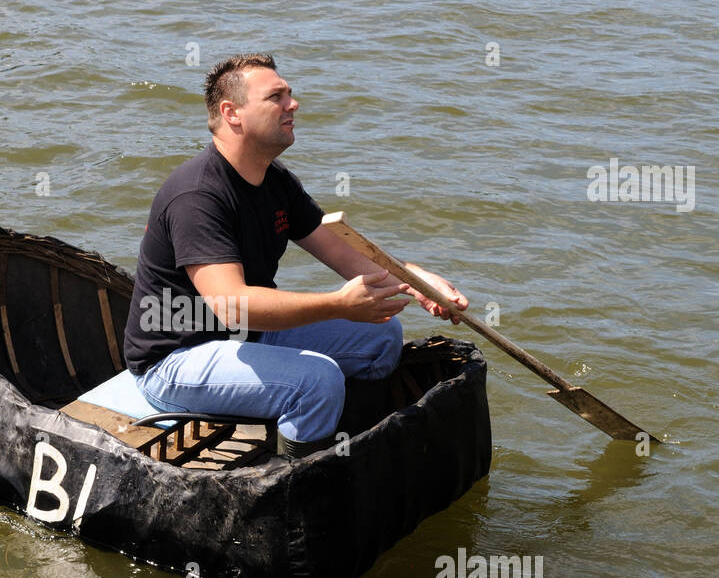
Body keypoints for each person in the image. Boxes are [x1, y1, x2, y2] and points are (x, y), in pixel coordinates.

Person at [122, 53, 468, 458]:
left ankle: (340, 434)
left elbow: (346, 252)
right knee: (316, 380)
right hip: (175, 359)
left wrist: (423, 285)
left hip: (248, 335)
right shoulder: (197, 196)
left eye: (290, 94)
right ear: (232, 113)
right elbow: (233, 306)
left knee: (382, 336)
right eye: (276, 97)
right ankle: (295, 472)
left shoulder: (275, 180)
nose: (294, 104)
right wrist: (338, 305)